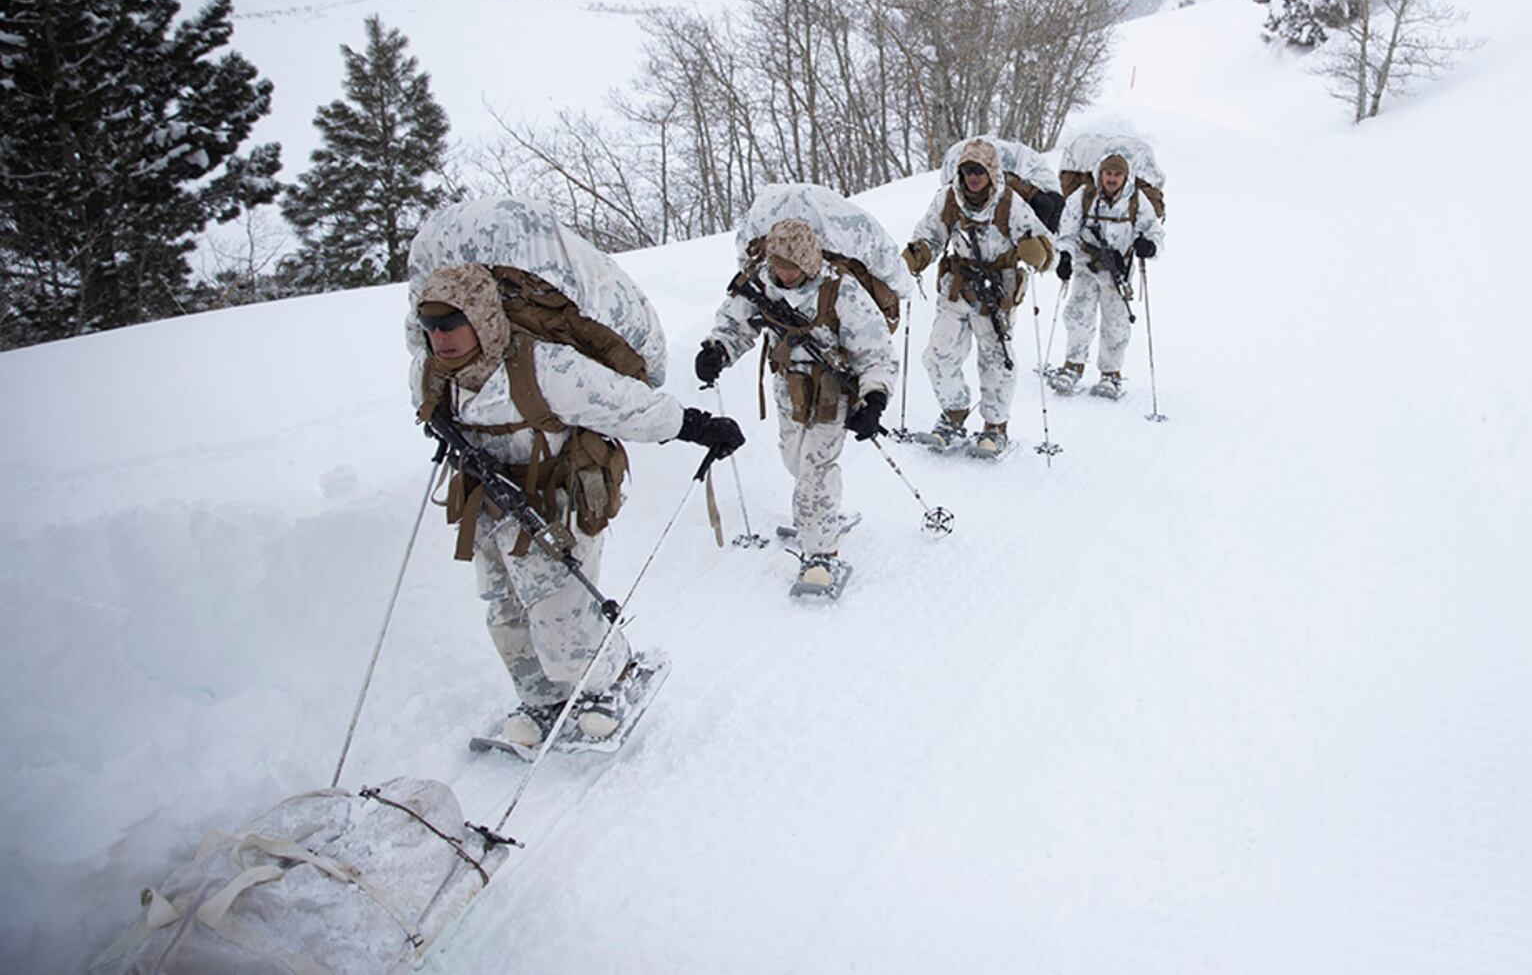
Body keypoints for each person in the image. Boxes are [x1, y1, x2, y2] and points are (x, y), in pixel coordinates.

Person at [412, 262, 742, 749]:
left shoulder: (542, 366)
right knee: (504, 608)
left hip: (557, 501)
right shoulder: (431, 372)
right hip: (486, 501)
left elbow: (624, 404)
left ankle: (612, 680)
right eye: (431, 326)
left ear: (480, 316)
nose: (440, 337)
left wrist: (696, 426)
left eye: (451, 323)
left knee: (560, 612)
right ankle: (540, 698)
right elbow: (426, 412)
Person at [695, 217, 897, 593]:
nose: (784, 274)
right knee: (794, 459)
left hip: (832, 392)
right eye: (778, 266)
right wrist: (718, 350)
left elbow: (876, 352)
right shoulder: (761, 284)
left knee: (815, 471)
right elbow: (736, 325)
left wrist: (874, 397)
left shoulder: (841, 290)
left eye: (791, 267)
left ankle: (821, 552)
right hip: (788, 388)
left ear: (807, 262)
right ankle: (817, 513)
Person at [903, 138, 1055, 455]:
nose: (973, 177)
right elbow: (929, 234)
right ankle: (953, 412)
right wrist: (917, 255)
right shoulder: (948, 199)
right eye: (968, 170)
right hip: (958, 285)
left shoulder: (1010, 203)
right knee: (937, 354)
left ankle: (995, 426)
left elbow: (1045, 249)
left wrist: (1036, 252)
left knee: (996, 360)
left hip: (997, 291)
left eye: (980, 171)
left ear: (992, 172)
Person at [1052, 149, 1165, 399]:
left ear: (1126, 177)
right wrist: (1065, 256)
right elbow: (1067, 229)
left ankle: (1111, 374)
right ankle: (1072, 366)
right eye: (1107, 173)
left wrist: (1150, 245)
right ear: (1099, 174)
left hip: (1118, 272)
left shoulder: (1136, 200)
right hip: (1085, 266)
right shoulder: (1084, 196)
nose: (1112, 179)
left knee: (1116, 323)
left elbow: (1154, 232)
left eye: (1117, 174)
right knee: (1078, 316)